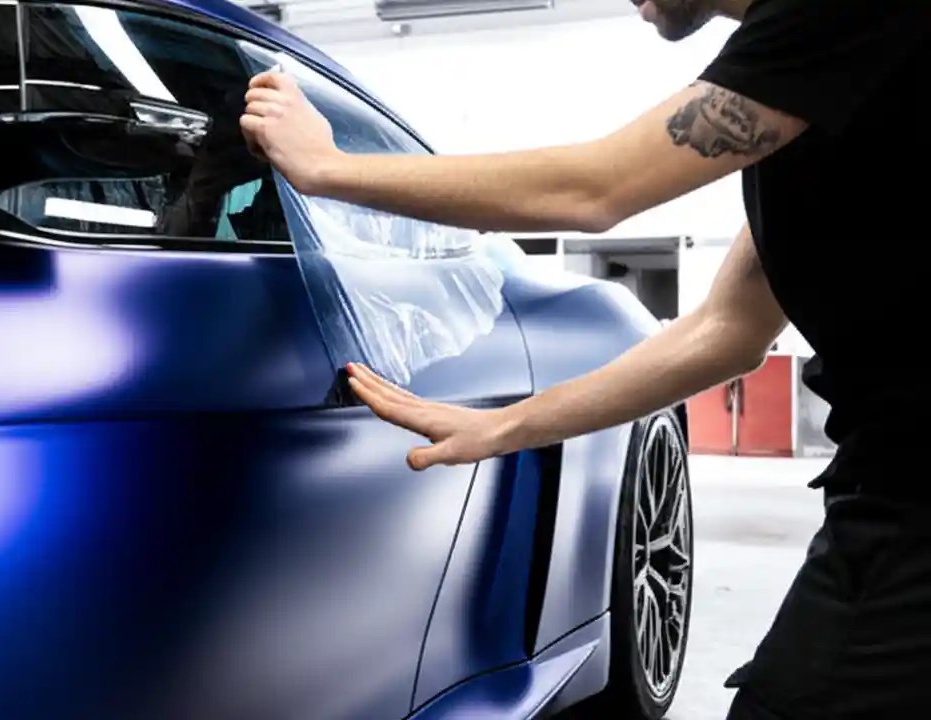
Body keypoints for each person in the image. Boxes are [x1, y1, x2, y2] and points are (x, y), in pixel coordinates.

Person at [240, 1, 929, 718]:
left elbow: (597, 189)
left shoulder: (841, 18)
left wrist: (328, 168)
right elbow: (728, 330)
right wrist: (505, 427)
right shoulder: (816, 89)